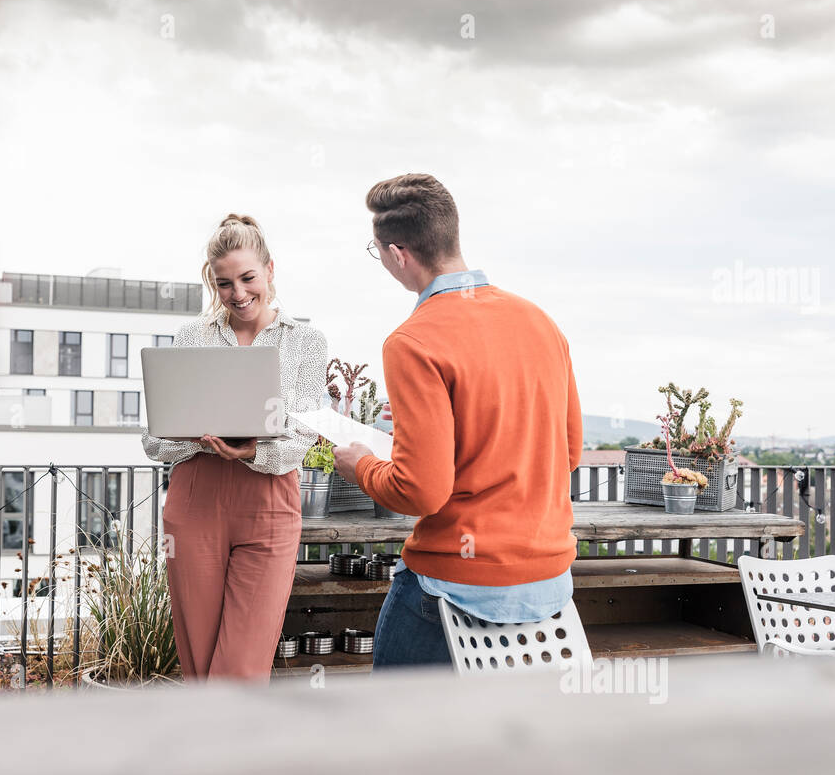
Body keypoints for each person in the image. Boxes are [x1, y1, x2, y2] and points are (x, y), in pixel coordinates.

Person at [333, 173, 582, 668]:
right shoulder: (539, 321)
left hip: (456, 587)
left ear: (398, 254)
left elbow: (421, 491)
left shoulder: (412, 341)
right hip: (550, 585)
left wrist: (360, 465)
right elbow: (570, 452)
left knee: (397, 730)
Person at [142, 214, 328, 681]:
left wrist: (249, 452)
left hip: (269, 502)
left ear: (269, 269)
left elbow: (303, 437)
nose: (239, 293)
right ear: (213, 283)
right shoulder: (191, 337)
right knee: (200, 662)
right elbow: (154, 440)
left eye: (248, 278)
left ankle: (232, 749)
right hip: (195, 498)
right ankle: (214, 753)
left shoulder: (305, 342)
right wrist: (188, 435)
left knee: (242, 666)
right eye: (224, 284)